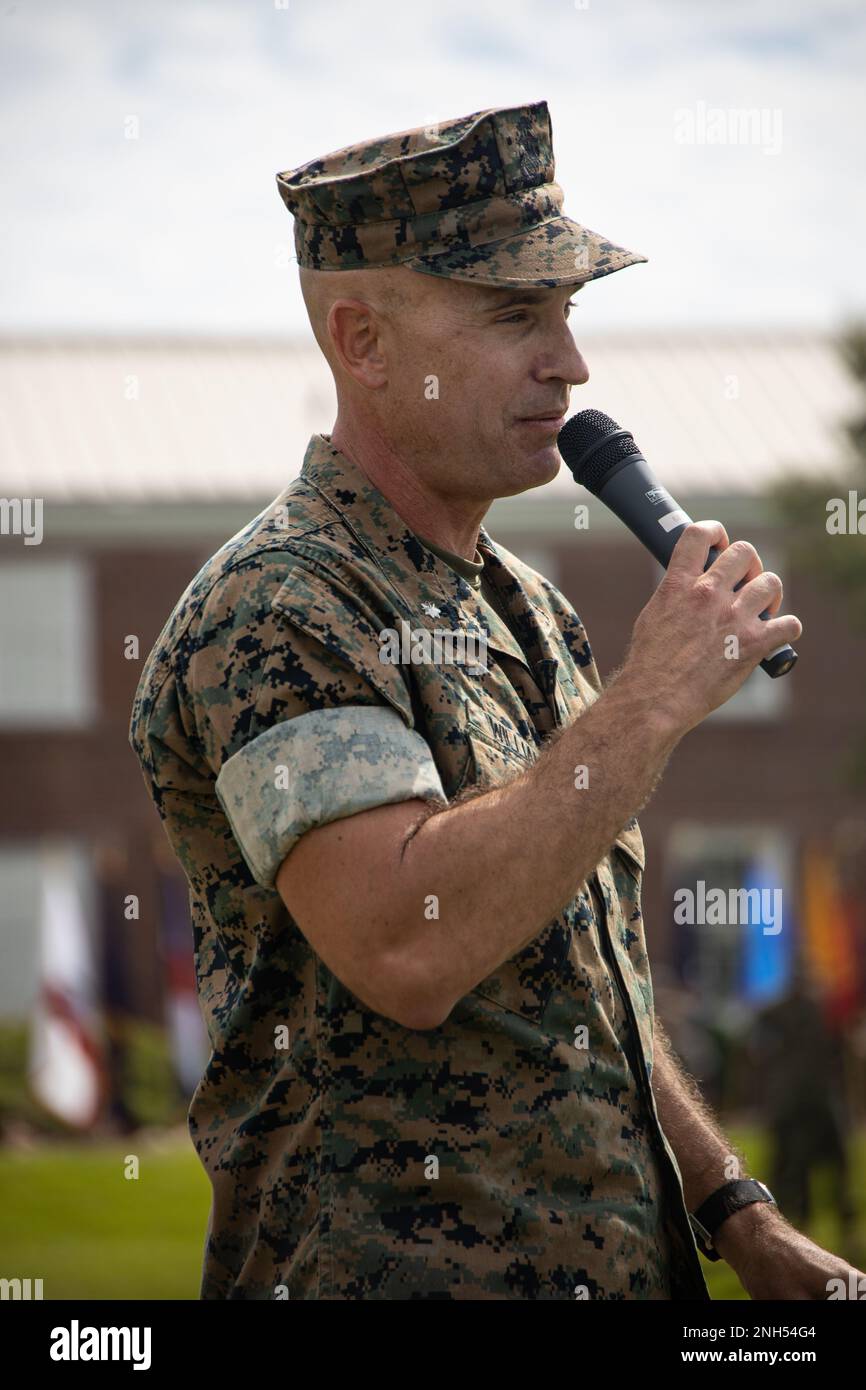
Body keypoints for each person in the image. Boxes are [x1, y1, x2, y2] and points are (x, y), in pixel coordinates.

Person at [129, 100, 861, 1300]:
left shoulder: (530, 609)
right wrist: (648, 701)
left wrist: (739, 1213)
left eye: (566, 312)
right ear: (363, 341)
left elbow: (586, 978)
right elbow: (406, 943)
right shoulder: (281, 604)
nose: (569, 363)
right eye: (515, 314)